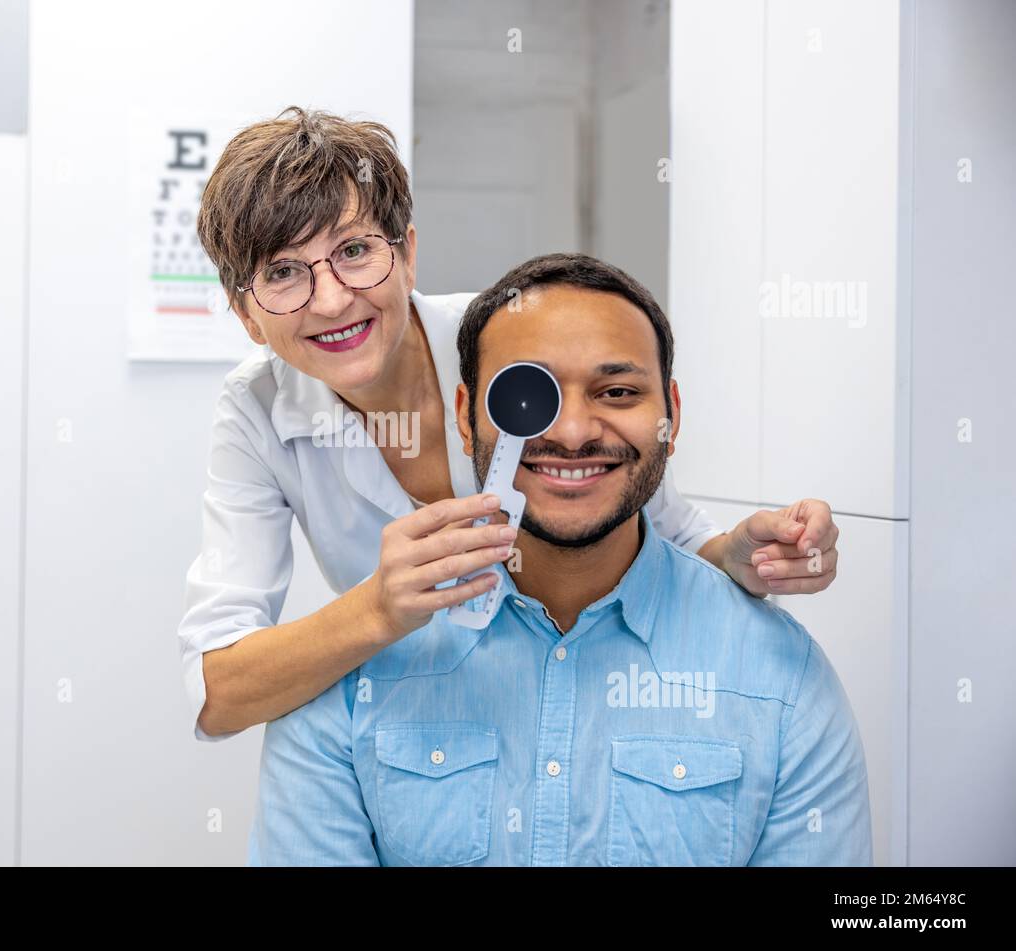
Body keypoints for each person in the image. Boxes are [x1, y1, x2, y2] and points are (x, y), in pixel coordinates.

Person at [181, 108, 840, 741]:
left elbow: (673, 540)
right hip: (433, 725)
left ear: (407, 254)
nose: (330, 299)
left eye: (354, 250)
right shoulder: (254, 411)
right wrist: (378, 608)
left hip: (603, 694)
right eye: (284, 272)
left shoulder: (509, 342)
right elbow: (218, 693)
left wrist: (747, 557)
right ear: (246, 315)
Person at [249, 253, 872, 866]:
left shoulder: (780, 681)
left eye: (618, 391)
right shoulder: (350, 677)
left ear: (671, 417)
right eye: (528, 396)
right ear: (467, 421)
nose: (573, 432)